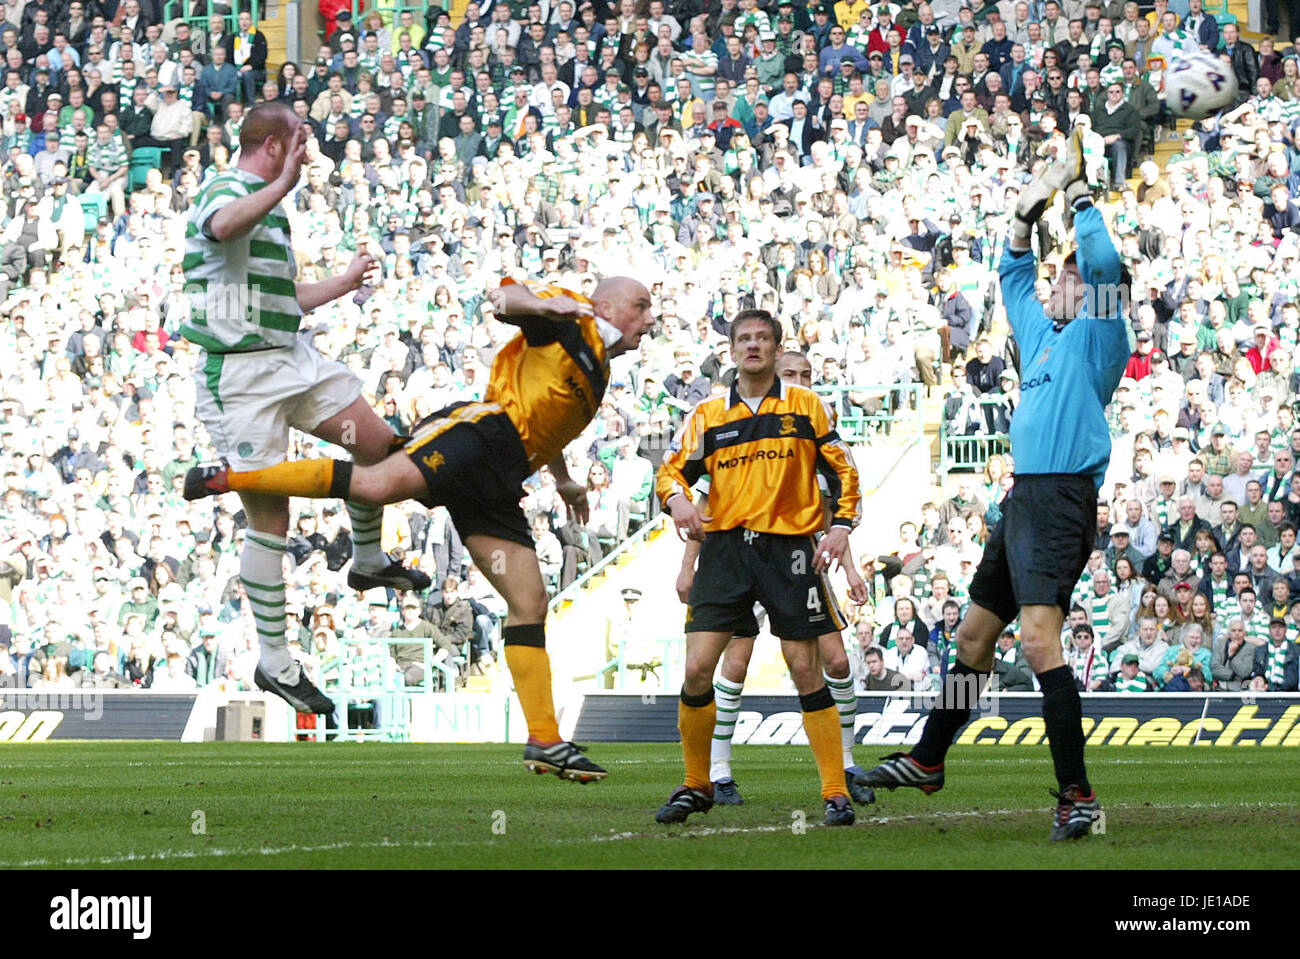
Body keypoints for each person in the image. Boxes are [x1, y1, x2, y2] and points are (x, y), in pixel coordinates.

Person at [187, 273, 655, 783]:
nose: (650, 319)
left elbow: (548, 418)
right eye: (641, 306)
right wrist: (550, 307)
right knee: (378, 484)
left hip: (502, 476)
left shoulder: (598, 366)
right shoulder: (575, 324)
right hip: (478, 434)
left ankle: (545, 739)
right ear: (605, 305)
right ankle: (232, 478)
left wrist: (564, 480)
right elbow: (499, 299)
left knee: (529, 602)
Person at [858, 131, 1129, 841]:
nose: (1063, 281)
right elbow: (1012, 275)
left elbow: (1105, 262)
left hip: (1062, 498)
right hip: (1024, 502)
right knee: (975, 636)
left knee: (1039, 643)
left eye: (1071, 276)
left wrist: (1076, 196)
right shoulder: (1042, 336)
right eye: (1061, 275)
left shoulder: (1102, 334)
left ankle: (1077, 794)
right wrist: (1022, 215)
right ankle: (927, 758)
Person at [179, 101, 430, 718]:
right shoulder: (229, 187)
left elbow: (282, 299)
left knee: (377, 444)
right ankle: (275, 661)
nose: (308, 149)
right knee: (271, 519)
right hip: (240, 378)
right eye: (300, 139)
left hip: (290, 359)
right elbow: (221, 227)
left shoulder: (267, 205)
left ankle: (367, 560)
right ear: (271, 144)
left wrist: (341, 284)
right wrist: (285, 183)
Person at [653, 309, 862, 826]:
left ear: (775, 347)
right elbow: (672, 471)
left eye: (762, 339)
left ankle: (835, 791)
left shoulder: (807, 406)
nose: (753, 347)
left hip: (789, 549)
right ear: (731, 350)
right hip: (725, 549)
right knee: (700, 668)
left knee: (806, 666)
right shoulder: (708, 414)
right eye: (744, 339)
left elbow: (843, 470)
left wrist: (841, 527)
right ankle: (697, 783)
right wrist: (676, 501)